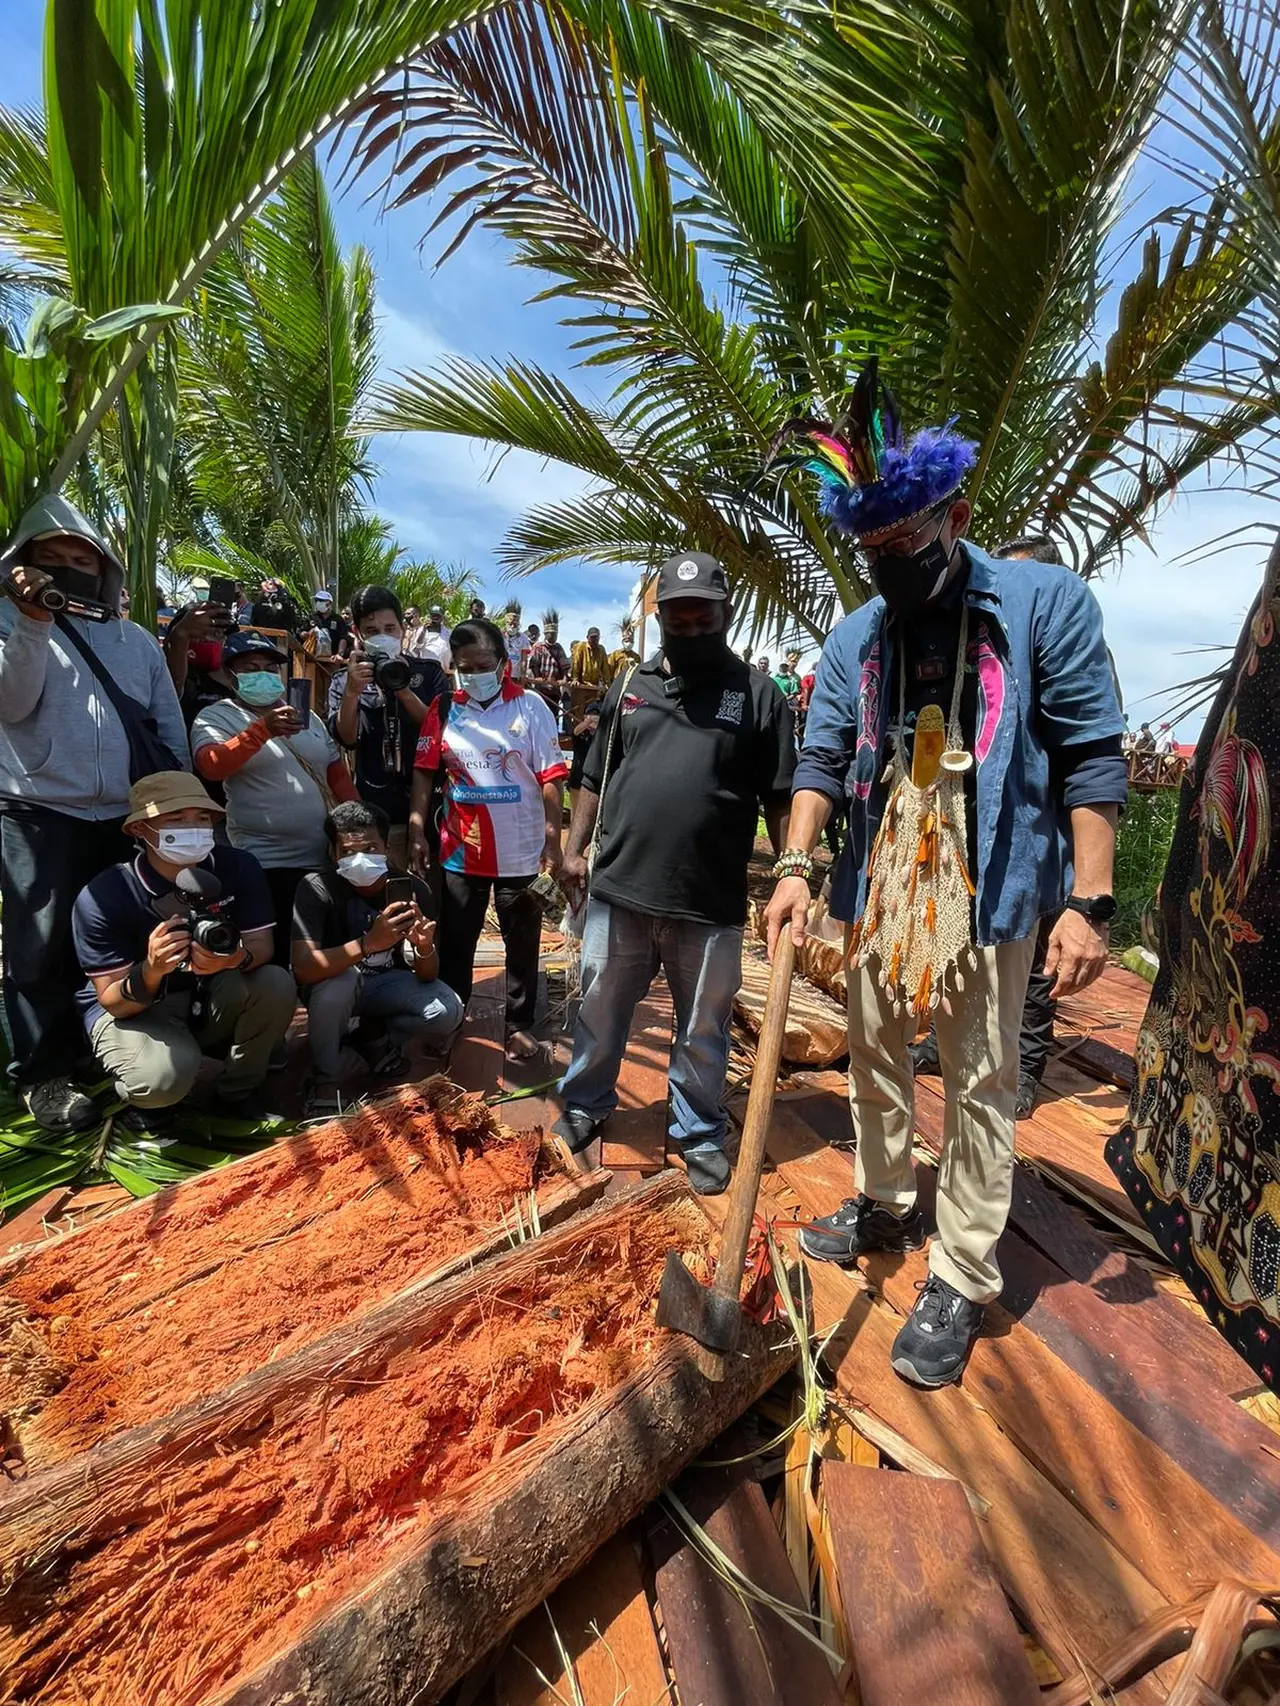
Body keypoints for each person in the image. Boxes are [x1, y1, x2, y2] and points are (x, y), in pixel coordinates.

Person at [763, 366, 1125, 1388]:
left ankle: (960, 1268)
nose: (886, 566)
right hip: (884, 879)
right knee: (873, 1051)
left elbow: (1090, 752)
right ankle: (882, 1199)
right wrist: (795, 861)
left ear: (953, 515)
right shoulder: (854, 636)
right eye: (868, 553)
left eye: (905, 547)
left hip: (993, 877)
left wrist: (1085, 899)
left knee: (977, 1076)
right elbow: (823, 757)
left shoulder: (1041, 602)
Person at [553, 552, 796, 1195]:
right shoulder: (630, 686)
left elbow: (780, 794)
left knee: (703, 1025)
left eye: (702, 616)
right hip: (619, 889)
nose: (689, 628)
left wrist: (794, 869)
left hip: (709, 900)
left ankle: (695, 1132)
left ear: (726, 614)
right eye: (676, 618)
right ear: (658, 617)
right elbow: (591, 775)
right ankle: (585, 1104)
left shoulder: (760, 697)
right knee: (600, 1008)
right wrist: (574, 851)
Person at [0, 495, 190, 1133]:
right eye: (48, 558)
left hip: (123, 815)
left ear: (104, 566)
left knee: (127, 939)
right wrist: (31, 623)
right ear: (22, 565)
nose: (66, 568)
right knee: (39, 948)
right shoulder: (8, 620)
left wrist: (177, 799)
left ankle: (111, 1054)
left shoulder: (135, 639)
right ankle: (43, 1075)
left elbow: (165, 721)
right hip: (38, 808)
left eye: (80, 558)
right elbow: (11, 703)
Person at [71, 771, 296, 1115]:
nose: (193, 827)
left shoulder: (238, 867)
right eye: (176, 819)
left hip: (208, 993)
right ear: (139, 829)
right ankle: (145, 1099)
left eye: (202, 818)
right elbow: (113, 1001)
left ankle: (238, 1093)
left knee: (276, 982)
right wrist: (151, 969)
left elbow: (261, 944)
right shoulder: (104, 894)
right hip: (133, 1008)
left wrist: (233, 959)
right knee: (162, 1079)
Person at [408, 617, 567, 1059]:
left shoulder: (531, 707)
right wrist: (417, 828)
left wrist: (552, 840)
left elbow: (551, 777)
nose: (475, 674)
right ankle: (452, 1015)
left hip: (521, 849)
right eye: (465, 666)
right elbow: (424, 773)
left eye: (484, 664)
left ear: (504, 662)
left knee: (522, 941)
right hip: (461, 850)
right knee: (457, 940)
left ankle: (518, 1024)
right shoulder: (443, 708)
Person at [192, 630, 358, 956]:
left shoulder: (308, 717)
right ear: (230, 674)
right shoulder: (216, 716)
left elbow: (335, 774)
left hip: (320, 860)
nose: (264, 674)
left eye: (270, 667)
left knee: (321, 953)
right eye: (251, 667)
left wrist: (359, 822)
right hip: (262, 864)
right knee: (274, 955)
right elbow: (211, 765)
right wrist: (261, 731)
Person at [292, 800, 463, 1116]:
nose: (359, 859)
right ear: (333, 853)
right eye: (347, 851)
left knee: (447, 1011)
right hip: (333, 988)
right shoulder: (316, 889)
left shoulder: (413, 889)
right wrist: (367, 944)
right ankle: (327, 1079)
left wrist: (424, 947)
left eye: (370, 848)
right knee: (340, 982)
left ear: (386, 846)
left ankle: (374, 1037)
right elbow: (303, 968)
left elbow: (427, 976)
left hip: (385, 985)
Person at [329, 585, 447, 870]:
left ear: (403, 630)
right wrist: (353, 692)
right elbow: (347, 738)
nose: (382, 636)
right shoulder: (345, 680)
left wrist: (403, 689)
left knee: (428, 894)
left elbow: (438, 730)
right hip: (373, 807)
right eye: (371, 631)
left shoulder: (428, 672)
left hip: (427, 805)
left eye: (390, 628)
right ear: (358, 633)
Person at [162, 601, 235, 729]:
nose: (210, 639)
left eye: (219, 633)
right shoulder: (179, 678)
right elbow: (172, 687)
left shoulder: (236, 679)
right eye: (202, 633)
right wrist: (181, 633)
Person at [527, 611, 570, 716]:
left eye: (555, 634)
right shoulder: (538, 647)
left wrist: (564, 678)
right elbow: (533, 664)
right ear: (546, 634)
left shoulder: (558, 648)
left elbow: (564, 664)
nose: (553, 636)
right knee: (538, 714)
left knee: (553, 715)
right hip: (541, 688)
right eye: (551, 634)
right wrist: (538, 677)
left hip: (554, 689)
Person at [304, 588, 352, 661]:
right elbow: (302, 633)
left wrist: (340, 654)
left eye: (320, 601)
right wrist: (308, 634)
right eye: (316, 601)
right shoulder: (312, 617)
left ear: (329, 603)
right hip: (311, 659)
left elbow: (343, 637)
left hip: (332, 659)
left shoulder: (338, 619)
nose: (317, 603)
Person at [412, 605, 453, 670]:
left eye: (438, 615)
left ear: (442, 617)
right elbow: (418, 646)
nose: (435, 617)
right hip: (426, 667)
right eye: (433, 615)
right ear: (430, 616)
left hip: (443, 668)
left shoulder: (448, 632)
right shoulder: (422, 630)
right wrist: (424, 630)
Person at [502, 605, 533, 683]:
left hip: (515, 677)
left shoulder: (523, 638)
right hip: (501, 675)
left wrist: (522, 675)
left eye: (515, 625)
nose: (512, 626)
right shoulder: (500, 636)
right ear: (506, 623)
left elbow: (524, 659)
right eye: (510, 624)